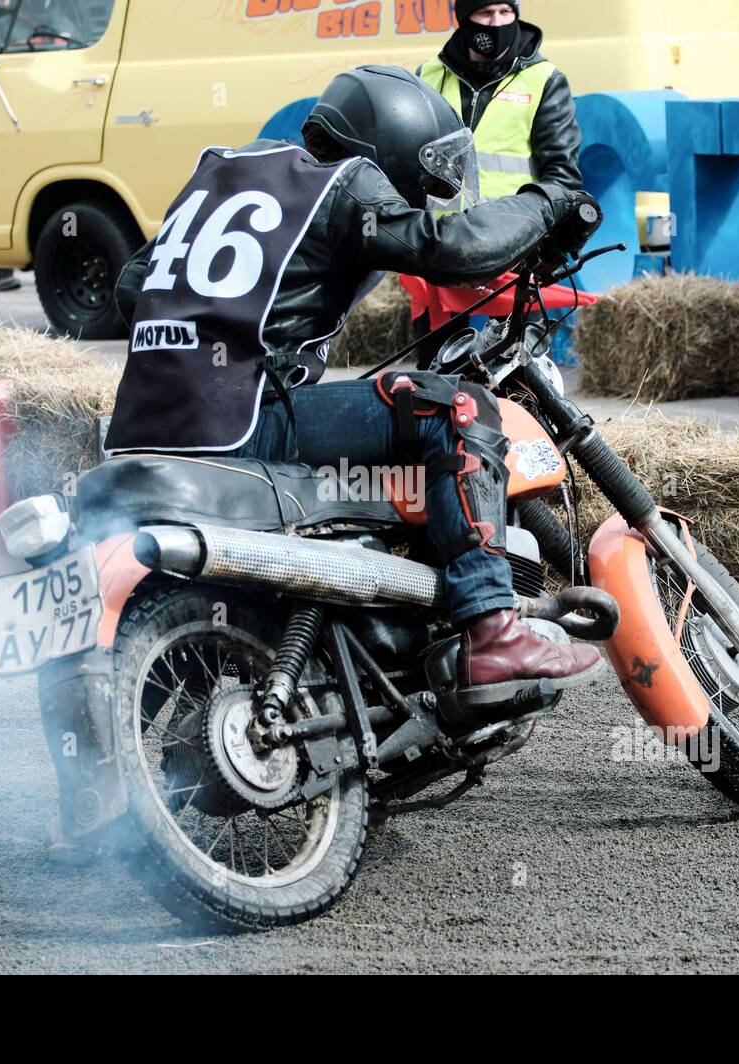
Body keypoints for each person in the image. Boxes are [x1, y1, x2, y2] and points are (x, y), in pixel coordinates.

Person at [105, 67, 604, 717]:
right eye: (422, 180)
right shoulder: (344, 184)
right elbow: (454, 247)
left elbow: (129, 286)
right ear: (390, 143)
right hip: (240, 421)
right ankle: (493, 630)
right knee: (455, 407)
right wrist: (550, 200)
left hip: (144, 428)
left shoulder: (223, 169)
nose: (419, 198)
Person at [411, 0, 582, 361]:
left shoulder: (544, 79)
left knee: (512, 374)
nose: (498, 23)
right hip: (439, 248)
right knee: (435, 377)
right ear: (464, 19)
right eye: (486, 14)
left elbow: (562, 174)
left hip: (513, 250)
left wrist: (547, 244)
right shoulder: (427, 76)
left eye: (506, 13)